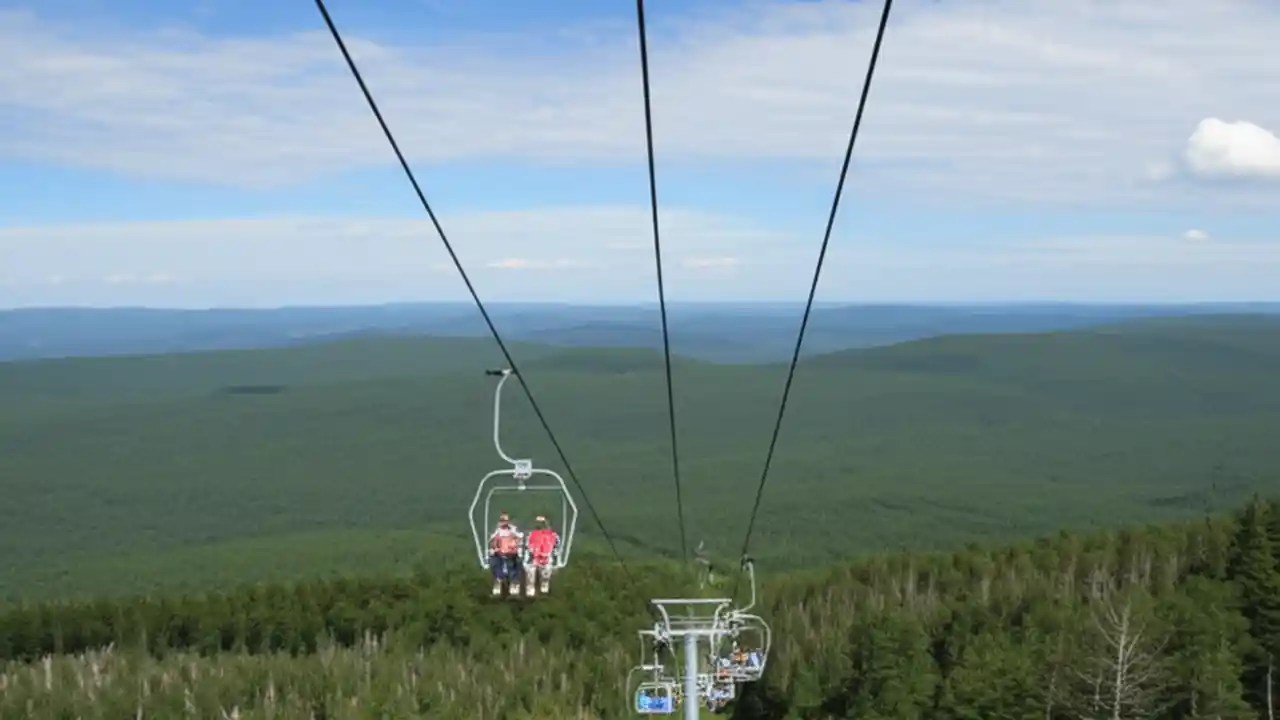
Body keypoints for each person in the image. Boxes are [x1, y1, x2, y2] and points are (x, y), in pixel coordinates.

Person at [488, 512, 523, 597]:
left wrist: (517, 547)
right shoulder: (497, 531)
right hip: (499, 552)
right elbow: (492, 541)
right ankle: (498, 581)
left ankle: (514, 583)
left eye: (505, 520)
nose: (503, 522)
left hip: (511, 552)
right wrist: (493, 549)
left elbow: (520, 538)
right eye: (502, 520)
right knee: (495, 563)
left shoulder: (513, 530)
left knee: (515, 565)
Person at [524, 514, 560, 595]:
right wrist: (526, 559)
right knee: (530, 572)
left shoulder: (552, 535)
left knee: (546, 572)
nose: (540, 525)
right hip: (534, 557)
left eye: (542, 522)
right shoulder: (531, 534)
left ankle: (544, 588)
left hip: (546, 556)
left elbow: (556, 547)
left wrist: (556, 560)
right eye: (538, 523)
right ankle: (530, 590)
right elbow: (527, 546)